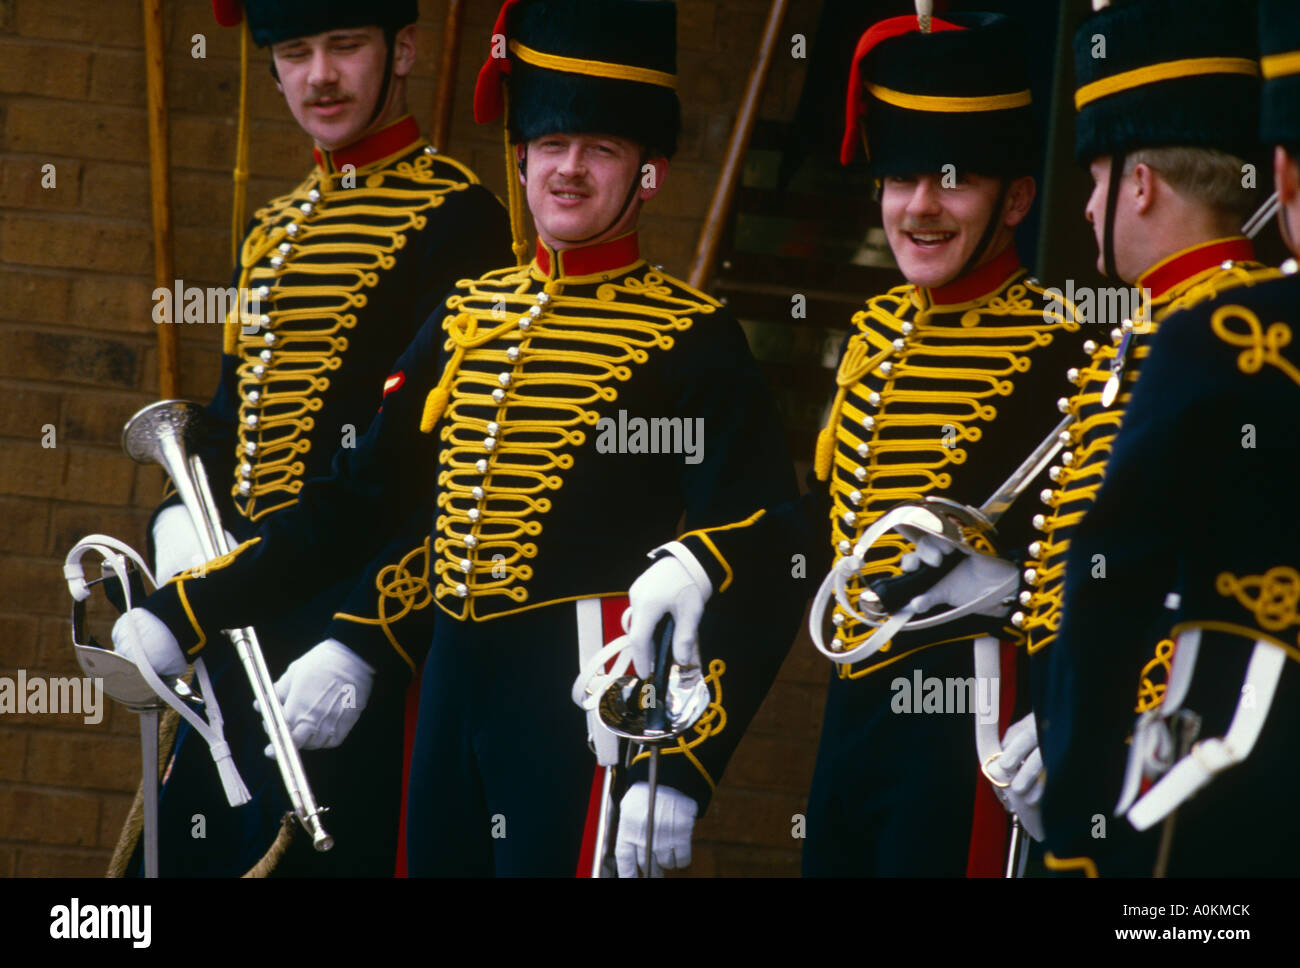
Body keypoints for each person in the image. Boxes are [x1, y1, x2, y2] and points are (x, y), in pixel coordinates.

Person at [112, 0, 803, 877]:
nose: (569, 169)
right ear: (521, 158)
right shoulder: (465, 318)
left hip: (579, 701)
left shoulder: (698, 340)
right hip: (446, 693)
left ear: (649, 173)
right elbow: (357, 501)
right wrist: (188, 608)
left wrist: (682, 769)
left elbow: (763, 549)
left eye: (601, 149)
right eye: (550, 145)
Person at [625, 10, 1084, 876]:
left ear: (1017, 200)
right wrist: (705, 561)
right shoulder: (877, 335)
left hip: (970, 729)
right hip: (852, 719)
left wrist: (1068, 708)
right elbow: (838, 528)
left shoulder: (1071, 354)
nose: (920, 207)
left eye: (953, 183)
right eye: (900, 179)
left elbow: (1100, 562)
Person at [127, 0, 512, 876]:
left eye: (345, 46)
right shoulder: (270, 233)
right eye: (295, 52)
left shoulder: (461, 221)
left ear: (402, 50)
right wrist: (178, 523)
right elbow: (229, 420)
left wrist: (366, 640)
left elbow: (463, 475)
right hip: (237, 621)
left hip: (351, 648)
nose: (321, 76)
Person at [1015, 0, 1281, 877]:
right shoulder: (1152, 330)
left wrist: (1096, 744)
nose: (1089, 207)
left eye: (1096, 182)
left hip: (1170, 761)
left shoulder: (1221, 334)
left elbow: (1174, 582)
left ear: (1139, 185)